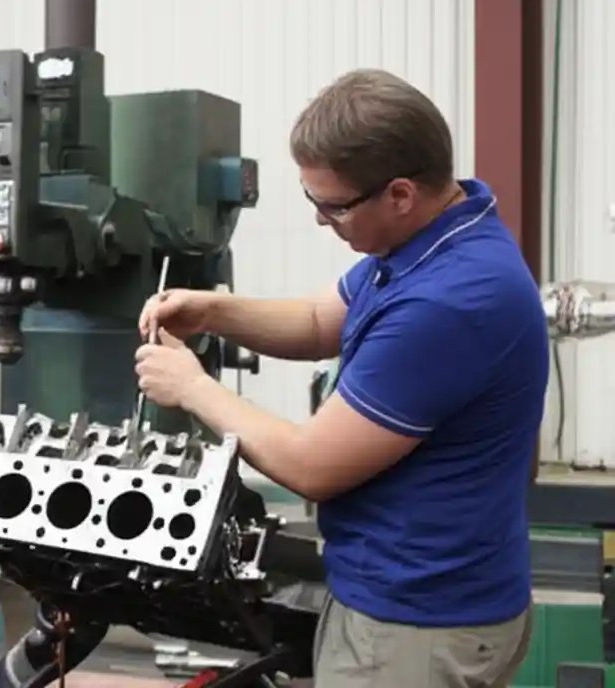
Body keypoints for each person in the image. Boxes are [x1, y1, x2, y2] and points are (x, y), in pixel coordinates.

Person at [133, 68, 548, 687]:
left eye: (333, 206)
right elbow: (316, 318)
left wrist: (191, 386)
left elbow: (311, 466)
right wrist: (213, 309)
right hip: (411, 597)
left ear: (401, 194)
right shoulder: (435, 239)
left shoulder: (449, 302)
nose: (322, 221)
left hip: (416, 623)